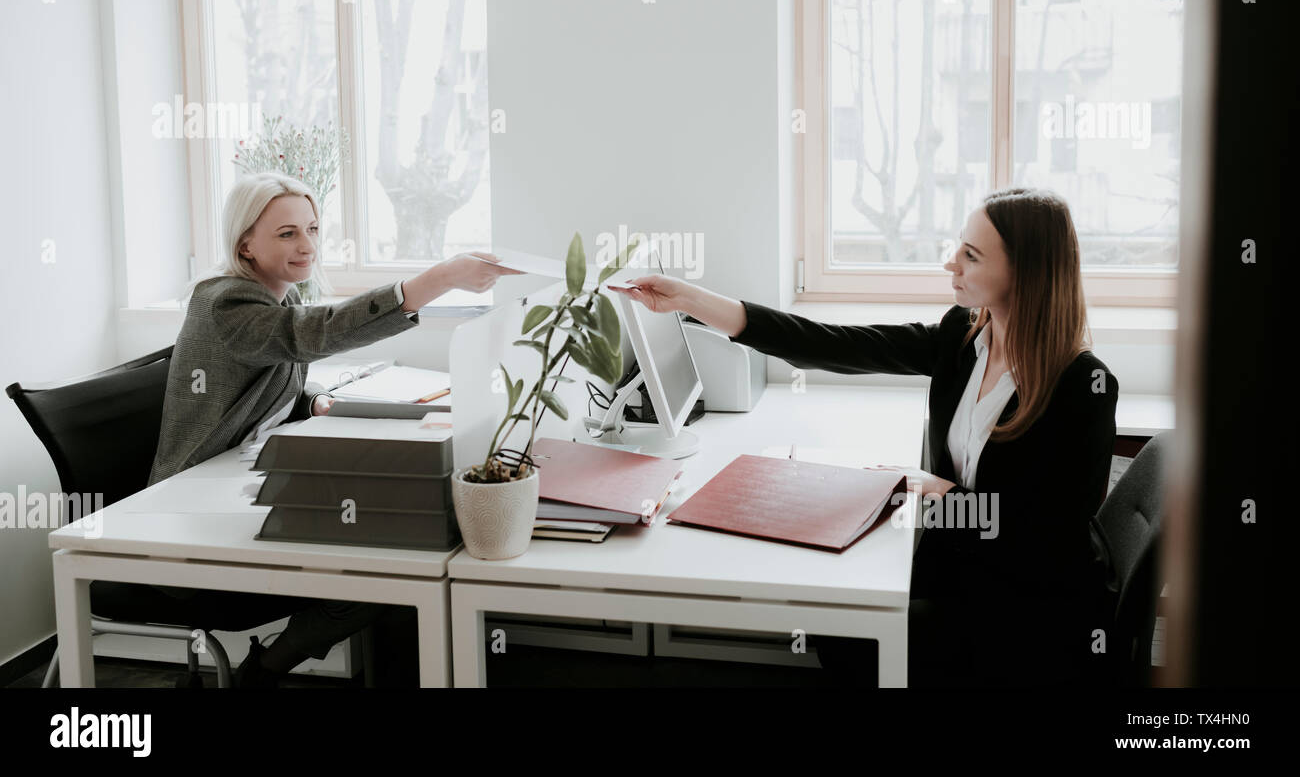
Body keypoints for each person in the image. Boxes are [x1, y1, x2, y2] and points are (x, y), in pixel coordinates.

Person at [609, 187, 1117, 687]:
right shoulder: (964, 337)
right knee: (837, 600)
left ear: (1024, 271)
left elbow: (1048, 538)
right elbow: (835, 345)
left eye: (971, 255)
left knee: (848, 633)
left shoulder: (1082, 388)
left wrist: (948, 500)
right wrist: (692, 300)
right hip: (964, 570)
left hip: (1031, 611)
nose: (951, 264)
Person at [145, 171, 522, 687]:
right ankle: (268, 668)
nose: (308, 246)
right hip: (193, 514)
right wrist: (440, 278)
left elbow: (262, 381)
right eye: (287, 234)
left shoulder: (279, 295)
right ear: (245, 244)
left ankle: (278, 666)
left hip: (243, 483)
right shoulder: (225, 302)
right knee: (384, 563)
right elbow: (310, 336)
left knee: (396, 543)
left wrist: (312, 402)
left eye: (313, 229)